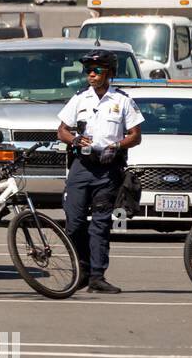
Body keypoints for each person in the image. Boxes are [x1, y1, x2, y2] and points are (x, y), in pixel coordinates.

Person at [55, 48, 144, 294]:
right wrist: (73, 140)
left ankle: (97, 276)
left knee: (101, 225)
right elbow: (61, 130)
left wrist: (117, 145)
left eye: (96, 71)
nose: (91, 75)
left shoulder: (122, 100)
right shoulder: (80, 98)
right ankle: (82, 268)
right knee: (74, 223)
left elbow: (136, 136)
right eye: (88, 71)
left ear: (110, 73)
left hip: (107, 170)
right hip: (81, 167)